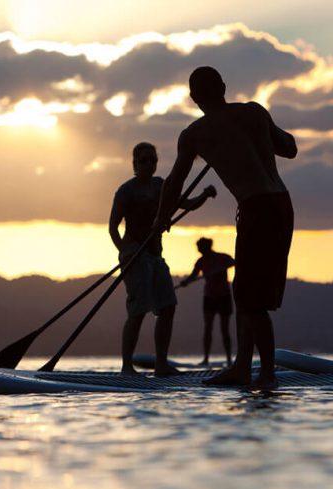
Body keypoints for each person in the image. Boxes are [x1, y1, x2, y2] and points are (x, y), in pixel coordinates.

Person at [155, 66, 297, 389]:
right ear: (223, 86)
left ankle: (267, 375)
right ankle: (242, 368)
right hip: (282, 205)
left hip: (256, 208)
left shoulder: (195, 134)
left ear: (193, 98)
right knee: (246, 294)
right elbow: (289, 147)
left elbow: (174, 182)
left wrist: (162, 217)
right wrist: (257, 134)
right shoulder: (255, 113)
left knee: (251, 298)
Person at [109, 141, 215, 377]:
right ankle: (127, 367)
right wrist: (125, 252)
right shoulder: (126, 191)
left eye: (153, 160)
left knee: (168, 307)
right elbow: (113, 228)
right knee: (137, 311)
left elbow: (186, 204)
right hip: (135, 256)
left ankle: (161, 364)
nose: (149, 164)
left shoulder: (162, 186)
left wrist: (205, 195)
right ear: (134, 163)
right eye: (144, 160)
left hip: (156, 256)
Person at [179, 237, 235, 367]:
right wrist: (185, 282)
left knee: (224, 329)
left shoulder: (222, 257)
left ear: (206, 247)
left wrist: (222, 267)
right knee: (208, 328)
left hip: (224, 296)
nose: (198, 250)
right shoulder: (201, 261)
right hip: (209, 297)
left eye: (199, 247)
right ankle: (205, 359)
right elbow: (194, 275)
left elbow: (234, 262)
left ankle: (228, 359)